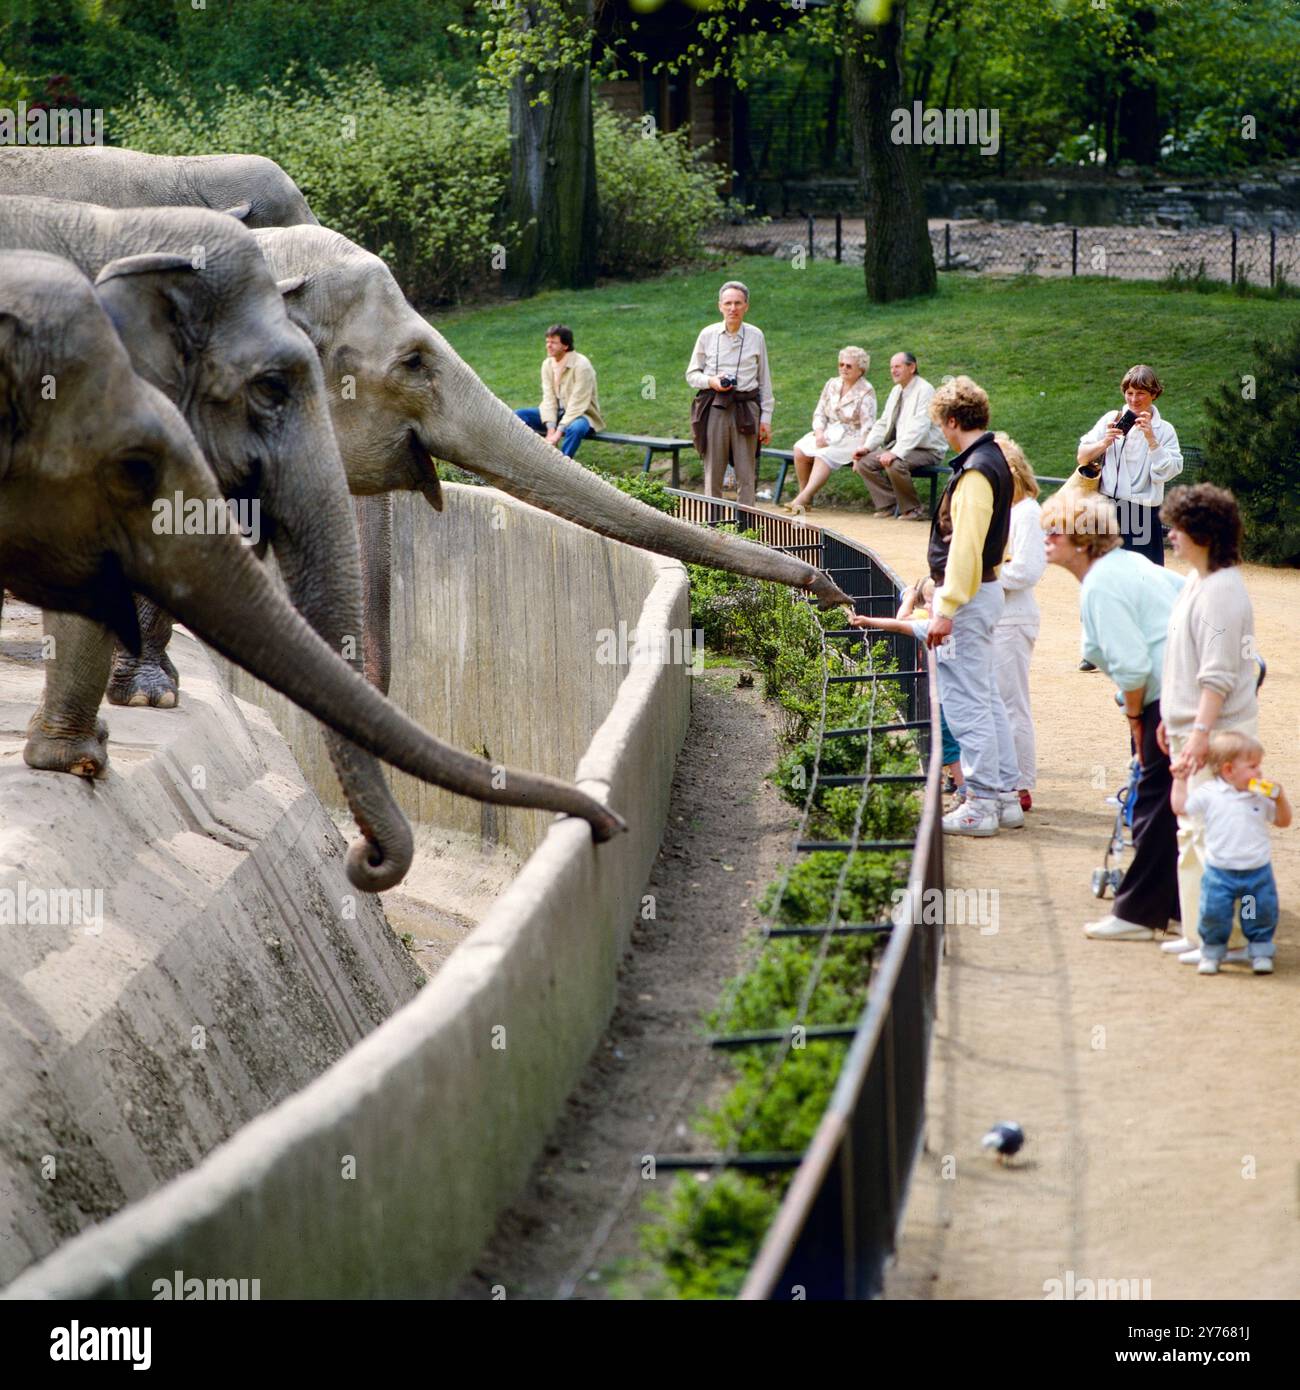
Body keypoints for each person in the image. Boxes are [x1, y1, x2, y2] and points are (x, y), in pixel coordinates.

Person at [1040, 490, 1184, 941]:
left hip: (1169, 697)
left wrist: (1136, 719)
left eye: (1056, 532)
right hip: (1181, 690)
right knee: (1168, 803)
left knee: (1151, 803)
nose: (1047, 539)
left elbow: (1133, 667)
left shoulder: (1101, 582)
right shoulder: (1129, 564)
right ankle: (1177, 905)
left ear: (1083, 541)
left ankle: (1140, 914)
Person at [1156, 484, 1260, 964]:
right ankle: (1202, 931)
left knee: (1218, 837)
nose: (1171, 535)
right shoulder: (1197, 581)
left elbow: (1217, 675)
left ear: (1203, 533)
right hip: (1193, 726)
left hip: (1218, 734)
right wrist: (1172, 718)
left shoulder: (1221, 591)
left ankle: (1229, 939)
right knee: (1192, 833)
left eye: (1178, 527)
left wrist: (1199, 735)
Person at [920, 376, 1020, 837]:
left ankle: (980, 803)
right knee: (986, 698)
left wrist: (946, 608)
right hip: (983, 591)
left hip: (968, 597)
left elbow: (965, 546)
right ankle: (1003, 795)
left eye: (942, 424)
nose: (942, 432)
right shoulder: (993, 457)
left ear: (953, 421)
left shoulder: (976, 469)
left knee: (967, 703)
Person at [1171, 732, 1291, 976]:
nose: (1259, 772)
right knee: (1215, 913)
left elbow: (1283, 821)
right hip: (1220, 873)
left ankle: (1259, 951)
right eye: (1252, 766)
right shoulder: (1210, 794)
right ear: (1228, 770)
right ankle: (1212, 952)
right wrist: (1180, 780)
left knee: (1254, 913)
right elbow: (1181, 808)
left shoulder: (1259, 797)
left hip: (1254, 873)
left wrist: (1280, 799)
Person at [847, 575, 964, 796]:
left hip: (946, 697)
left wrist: (869, 620)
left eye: (929, 602)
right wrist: (868, 620)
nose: (926, 607)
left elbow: (900, 624)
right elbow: (899, 626)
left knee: (949, 743)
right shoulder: (963, 626)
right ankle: (963, 784)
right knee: (962, 741)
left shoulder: (932, 626)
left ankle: (964, 788)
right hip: (965, 695)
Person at [1075, 363, 1182, 567]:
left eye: (1140, 393)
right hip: (1107, 509)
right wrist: (1104, 442)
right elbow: (1082, 456)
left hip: (1142, 515)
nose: (1134, 399)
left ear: (1154, 394)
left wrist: (1152, 440)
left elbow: (1169, 471)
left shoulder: (1164, 430)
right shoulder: (1112, 419)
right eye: (1129, 393)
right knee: (1103, 574)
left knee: (1143, 578)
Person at [993, 434, 1046, 811]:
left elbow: (1027, 570)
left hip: (1013, 619)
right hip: (997, 616)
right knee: (997, 701)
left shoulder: (1027, 512)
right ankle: (1002, 777)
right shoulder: (1006, 511)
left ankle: (1020, 783)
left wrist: (983, 576)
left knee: (1012, 703)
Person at [686, 281, 773, 507]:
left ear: (746, 306)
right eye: (728, 303)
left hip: (747, 408)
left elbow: (764, 380)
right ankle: (712, 524)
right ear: (720, 306)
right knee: (713, 471)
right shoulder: (707, 334)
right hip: (716, 406)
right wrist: (711, 381)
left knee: (746, 474)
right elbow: (691, 374)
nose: (732, 308)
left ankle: (746, 525)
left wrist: (766, 418)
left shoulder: (756, 335)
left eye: (738, 303)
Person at [851, 351, 946, 520]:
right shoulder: (896, 391)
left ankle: (913, 509)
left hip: (927, 450)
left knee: (895, 463)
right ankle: (889, 504)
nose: (893, 371)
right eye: (891, 367)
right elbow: (883, 423)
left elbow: (919, 427)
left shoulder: (925, 390)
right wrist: (867, 447)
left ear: (912, 367)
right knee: (863, 462)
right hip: (901, 447)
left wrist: (895, 452)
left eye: (897, 367)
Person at [783, 347, 877, 515]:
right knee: (799, 449)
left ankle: (802, 499)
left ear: (861, 370)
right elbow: (819, 412)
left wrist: (860, 452)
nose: (844, 368)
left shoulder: (866, 391)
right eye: (841, 364)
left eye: (849, 366)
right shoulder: (832, 384)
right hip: (829, 433)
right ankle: (805, 497)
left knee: (823, 455)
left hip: (853, 438)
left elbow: (867, 426)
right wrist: (819, 432)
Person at [514, 324, 604, 459]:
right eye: (547, 342)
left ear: (565, 346)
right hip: (557, 414)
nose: (548, 346)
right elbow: (548, 398)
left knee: (576, 428)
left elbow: (577, 404)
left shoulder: (582, 365)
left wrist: (558, 433)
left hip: (581, 415)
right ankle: (532, 456)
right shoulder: (547, 364)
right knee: (519, 415)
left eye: (554, 343)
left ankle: (562, 463)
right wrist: (551, 429)